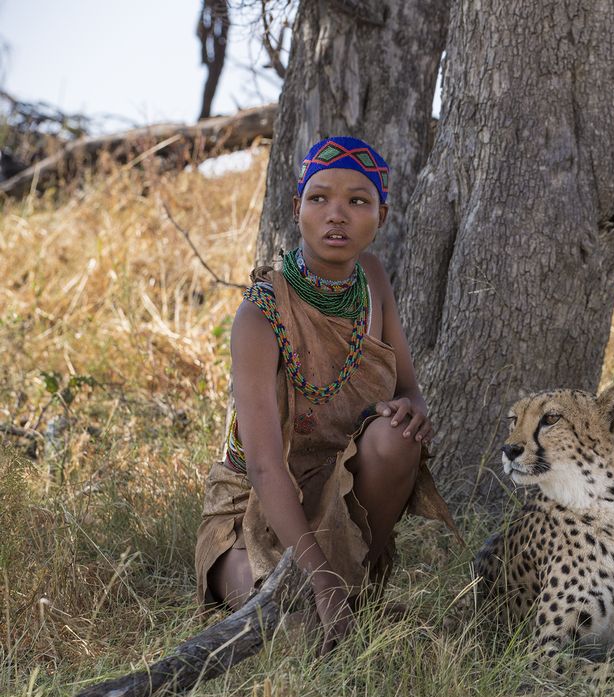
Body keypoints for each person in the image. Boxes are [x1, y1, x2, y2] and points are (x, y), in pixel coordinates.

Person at [194, 136, 457, 655]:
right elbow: (267, 468)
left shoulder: (373, 279)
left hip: (339, 489)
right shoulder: (260, 315)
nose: (337, 215)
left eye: (358, 201)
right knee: (279, 619)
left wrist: (414, 411)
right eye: (319, 198)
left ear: (381, 214)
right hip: (253, 505)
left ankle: (357, 586)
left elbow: (409, 389)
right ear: (296, 209)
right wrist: (317, 579)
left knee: (395, 437)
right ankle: (331, 591)